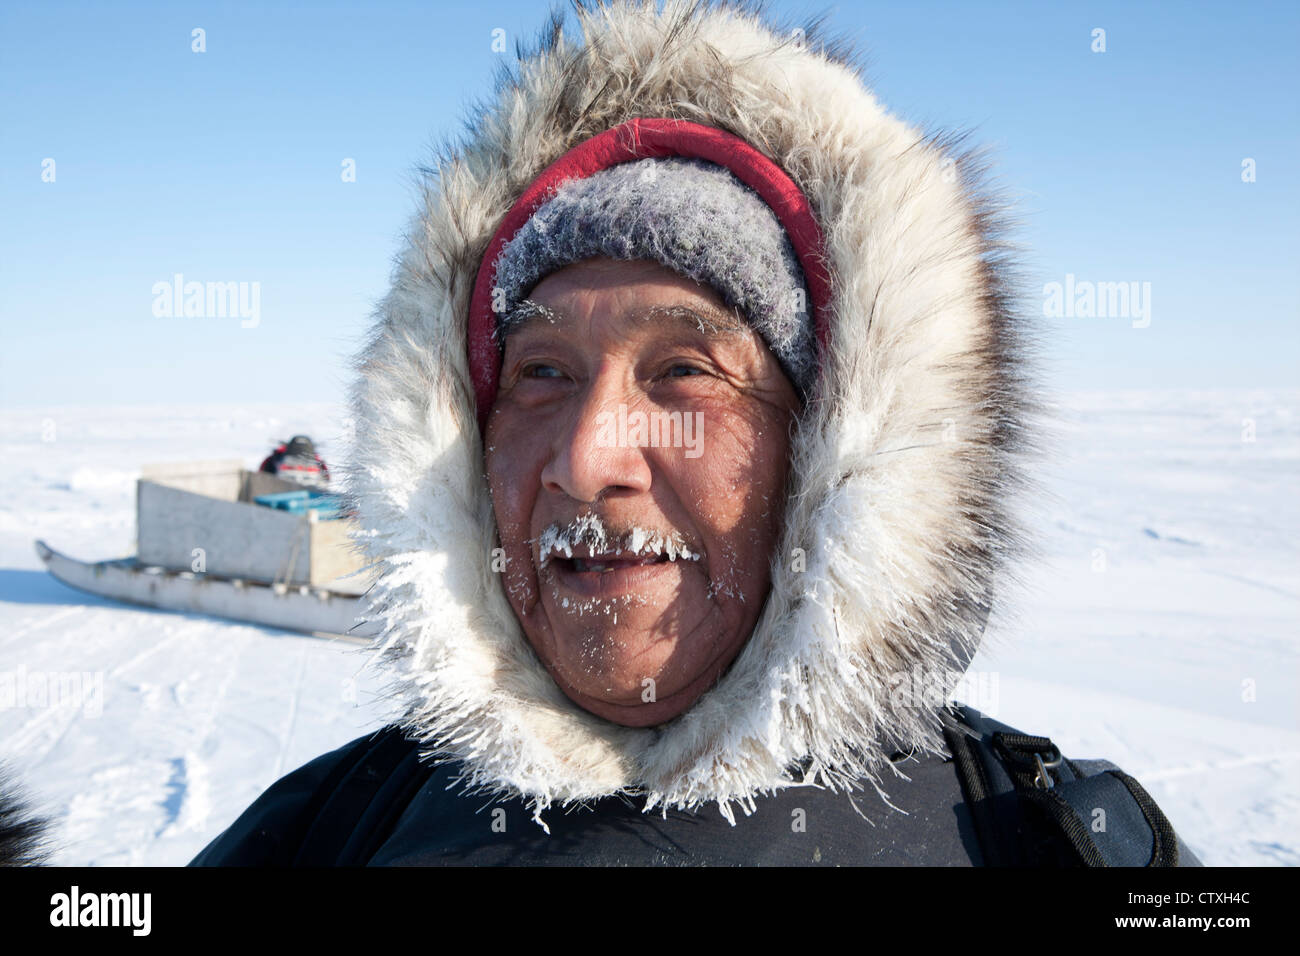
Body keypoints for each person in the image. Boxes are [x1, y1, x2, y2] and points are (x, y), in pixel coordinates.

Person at [190, 0, 1199, 866]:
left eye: (682, 371)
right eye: (541, 374)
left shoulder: (1045, 841)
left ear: (831, 459)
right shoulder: (332, 828)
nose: (586, 461)